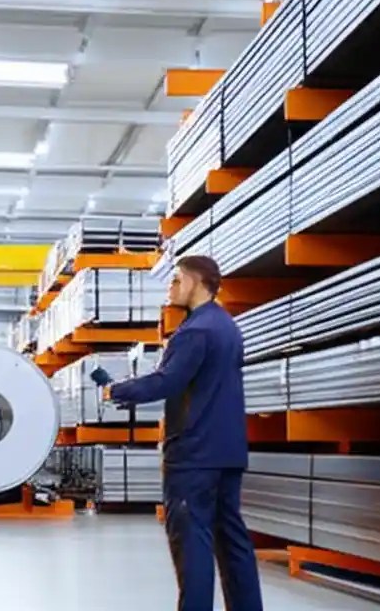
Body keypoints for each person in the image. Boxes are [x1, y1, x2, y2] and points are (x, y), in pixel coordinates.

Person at [90, 255, 263, 611]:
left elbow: (167, 381)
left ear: (194, 283)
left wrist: (116, 391)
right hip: (228, 452)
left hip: (194, 455)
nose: (170, 288)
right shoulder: (228, 326)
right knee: (232, 542)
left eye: (175, 280)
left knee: (192, 543)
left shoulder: (195, 331)